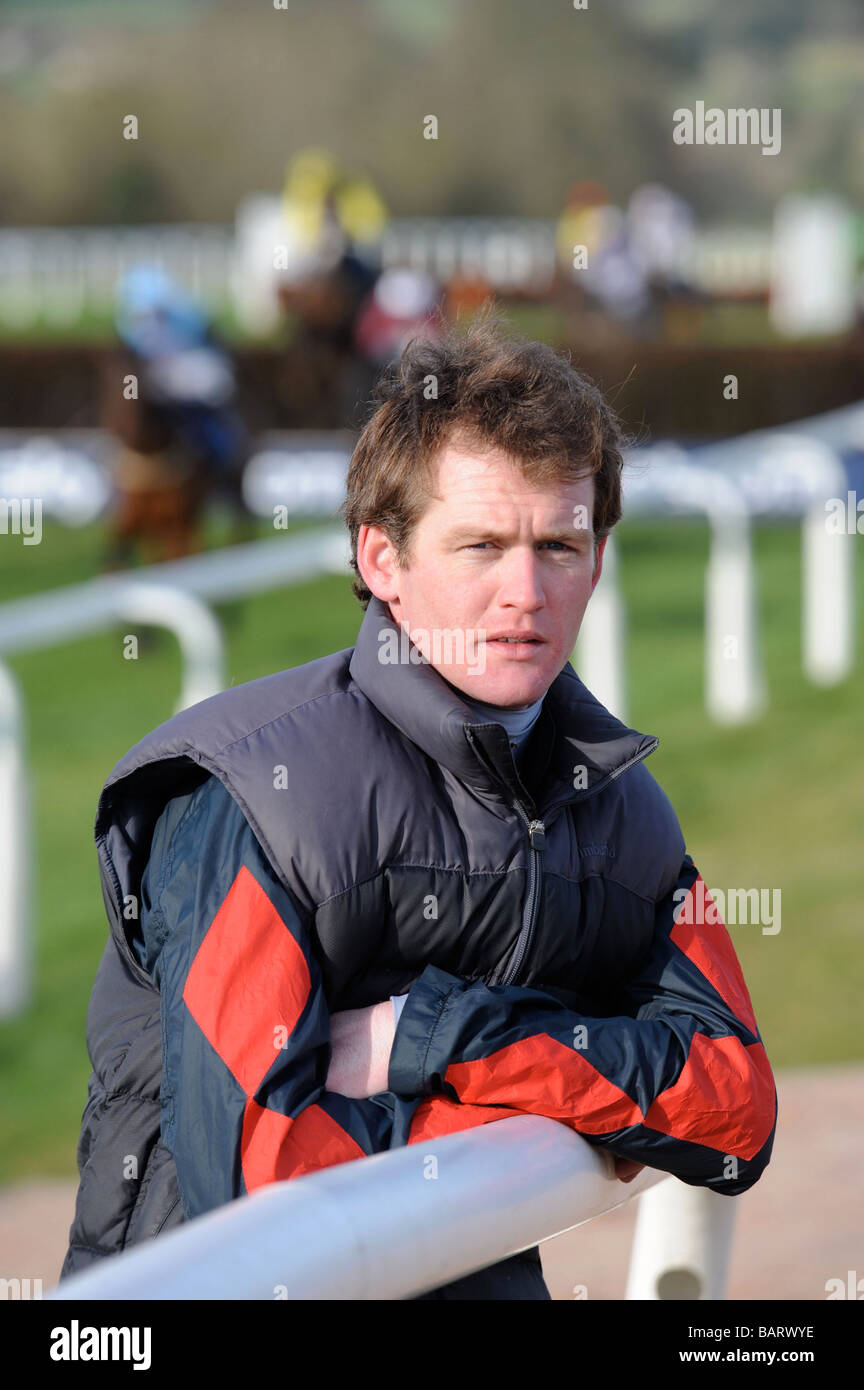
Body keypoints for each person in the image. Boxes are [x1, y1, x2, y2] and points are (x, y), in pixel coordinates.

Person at [61, 307, 777, 1299]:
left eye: (559, 546)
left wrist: (438, 1038)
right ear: (380, 560)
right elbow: (264, 1180)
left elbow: (736, 1112)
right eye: (481, 545)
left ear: (599, 560)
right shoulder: (251, 799)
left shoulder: (625, 812)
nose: (525, 591)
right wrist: (581, 1099)